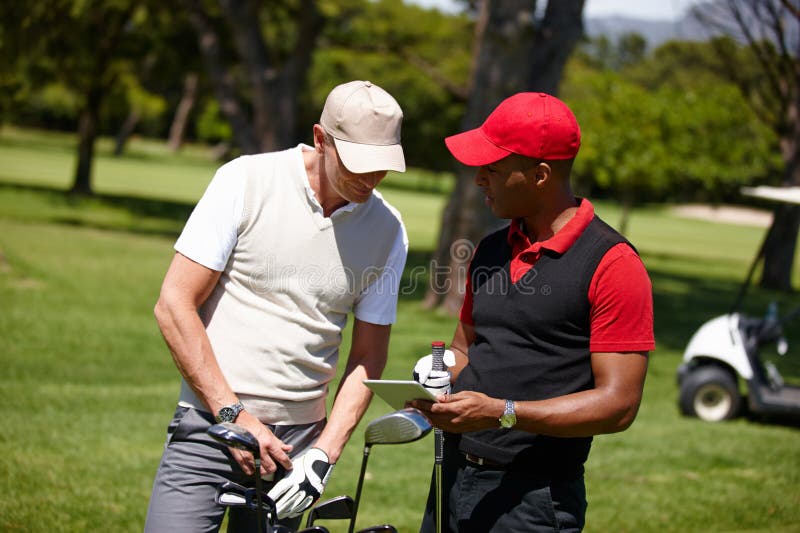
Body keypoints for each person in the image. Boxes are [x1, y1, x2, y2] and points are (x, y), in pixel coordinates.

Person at [144, 80, 409, 532]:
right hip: (211, 423)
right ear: (321, 139)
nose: (369, 178)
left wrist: (324, 454)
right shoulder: (245, 180)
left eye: (381, 165)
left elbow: (368, 358)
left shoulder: (388, 230)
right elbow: (174, 304)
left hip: (297, 450)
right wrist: (233, 413)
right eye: (357, 164)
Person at [411, 92, 654, 532]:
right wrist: (438, 371)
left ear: (541, 175)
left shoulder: (614, 264)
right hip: (452, 474)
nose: (479, 178)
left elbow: (619, 405)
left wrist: (504, 411)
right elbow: (466, 345)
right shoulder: (489, 249)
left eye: (494, 168)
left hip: (534, 498)